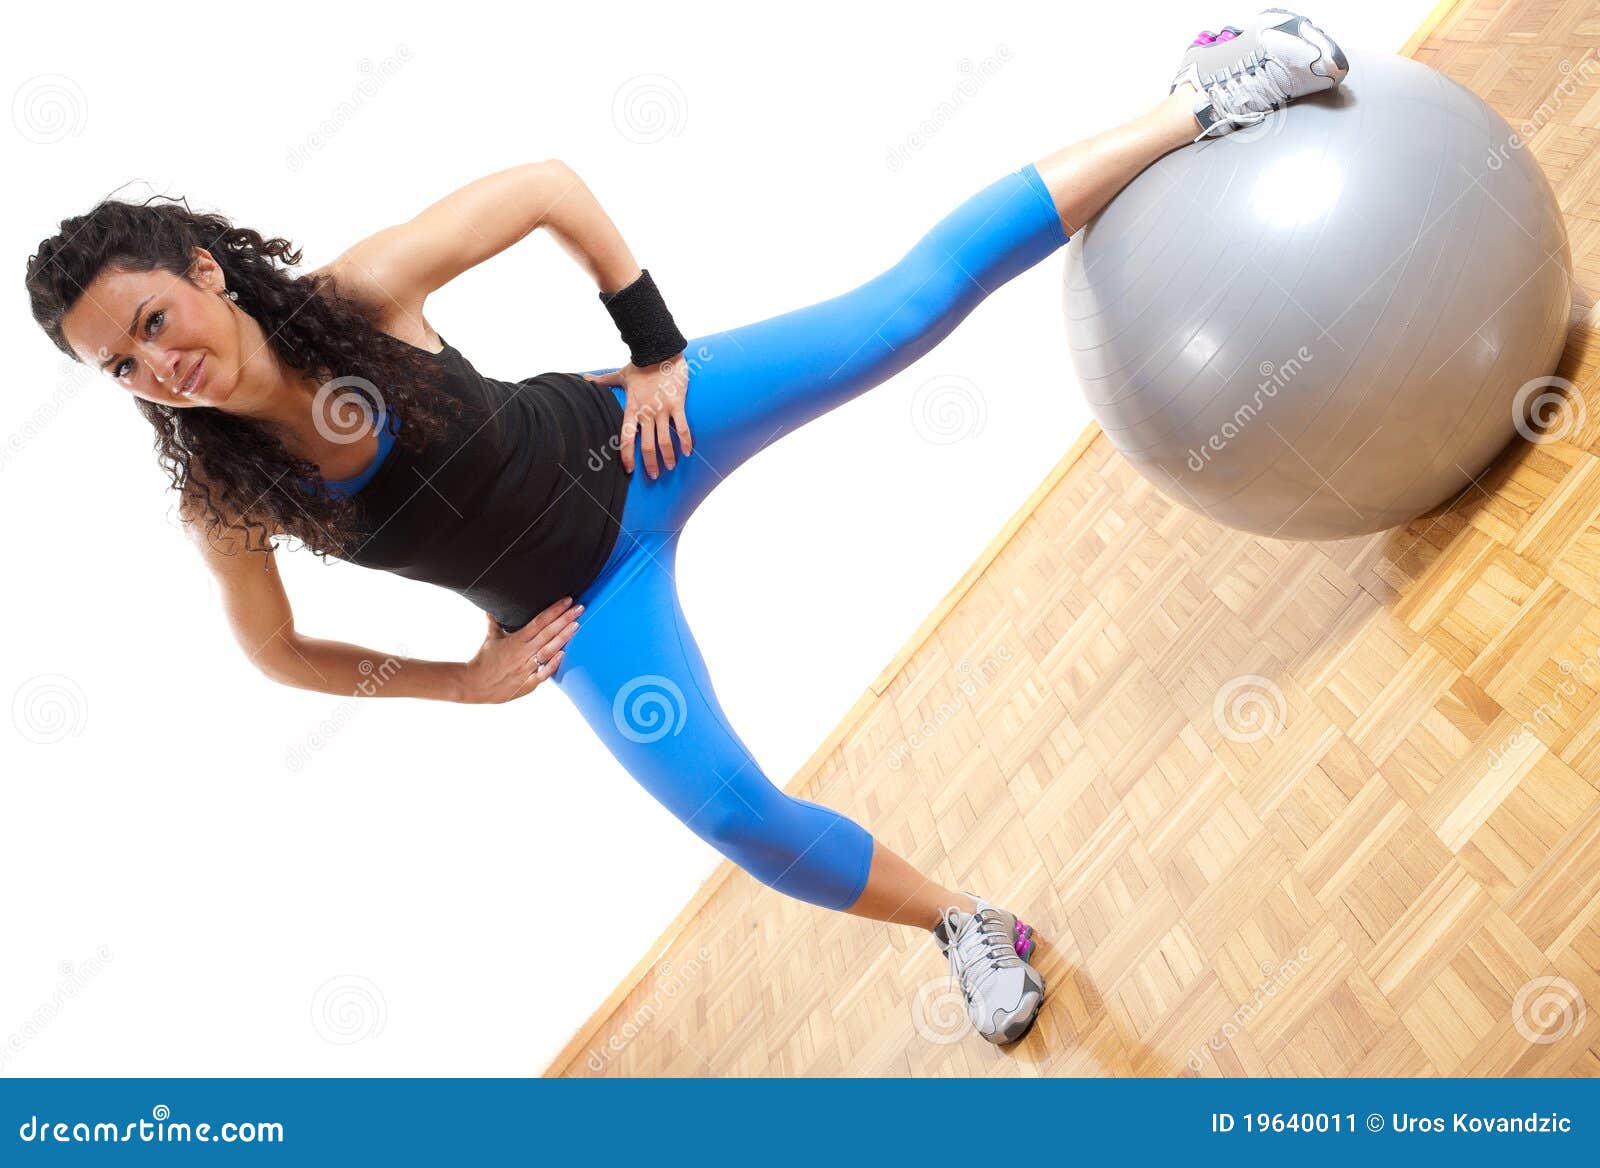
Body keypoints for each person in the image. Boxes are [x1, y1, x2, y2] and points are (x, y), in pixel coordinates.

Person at [24, 10, 1346, 1045]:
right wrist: (471, 681)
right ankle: (968, 925)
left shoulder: (364, 292)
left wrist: (654, 352)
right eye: (119, 367)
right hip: (590, 606)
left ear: (203, 270)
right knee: (733, 814)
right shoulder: (223, 489)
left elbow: (546, 185)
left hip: (638, 433)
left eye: (151, 321)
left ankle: (1203, 92)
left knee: (901, 312)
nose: (156, 365)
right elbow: (278, 653)